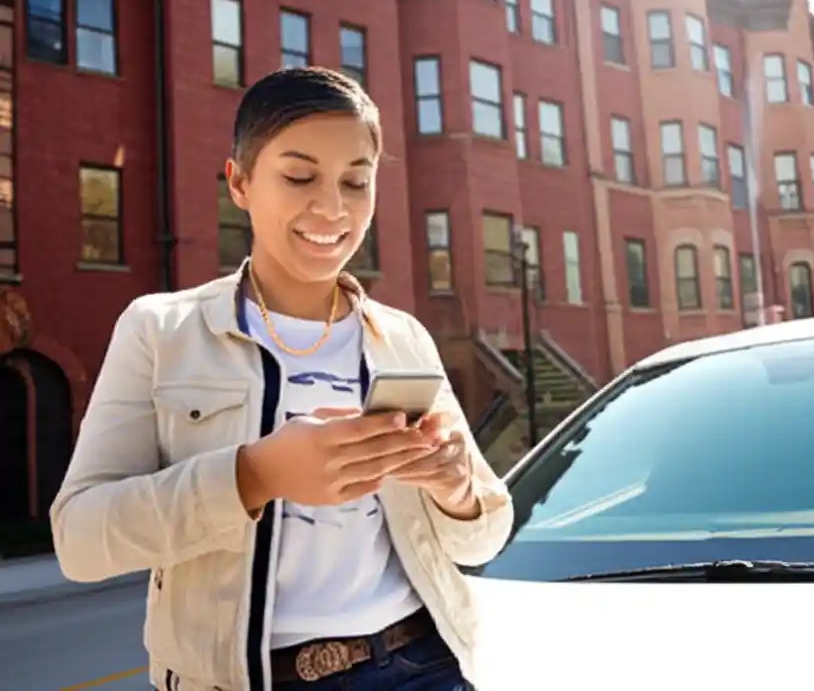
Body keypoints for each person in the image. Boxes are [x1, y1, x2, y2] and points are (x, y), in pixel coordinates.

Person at [50, 67, 513, 691]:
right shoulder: (160, 330)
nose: (332, 207)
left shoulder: (403, 337)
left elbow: (486, 532)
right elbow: (78, 540)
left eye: (356, 181)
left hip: (418, 664)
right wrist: (254, 475)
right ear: (239, 181)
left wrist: (455, 487)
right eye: (299, 176)